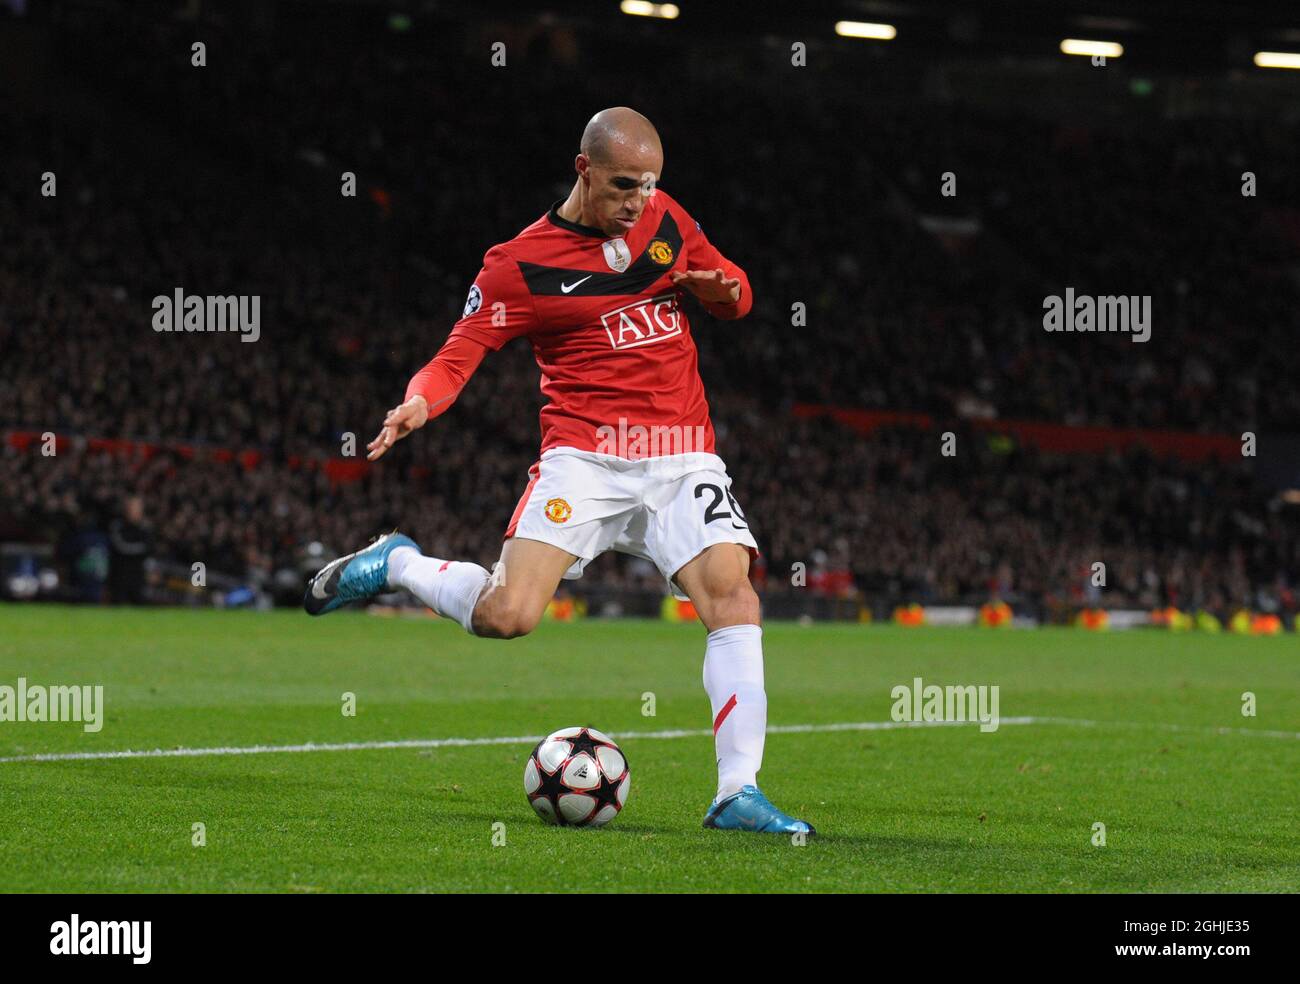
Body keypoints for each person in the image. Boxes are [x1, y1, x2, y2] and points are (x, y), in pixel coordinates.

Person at [305, 107, 813, 836]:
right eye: (623, 185)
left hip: (680, 452)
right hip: (584, 456)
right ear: (584, 171)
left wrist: (719, 290)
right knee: (508, 616)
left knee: (733, 598)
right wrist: (420, 401)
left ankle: (737, 793)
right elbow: (460, 352)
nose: (638, 201)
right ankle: (400, 564)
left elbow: (736, 290)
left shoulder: (663, 217)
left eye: (649, 185)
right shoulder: (518, 265)